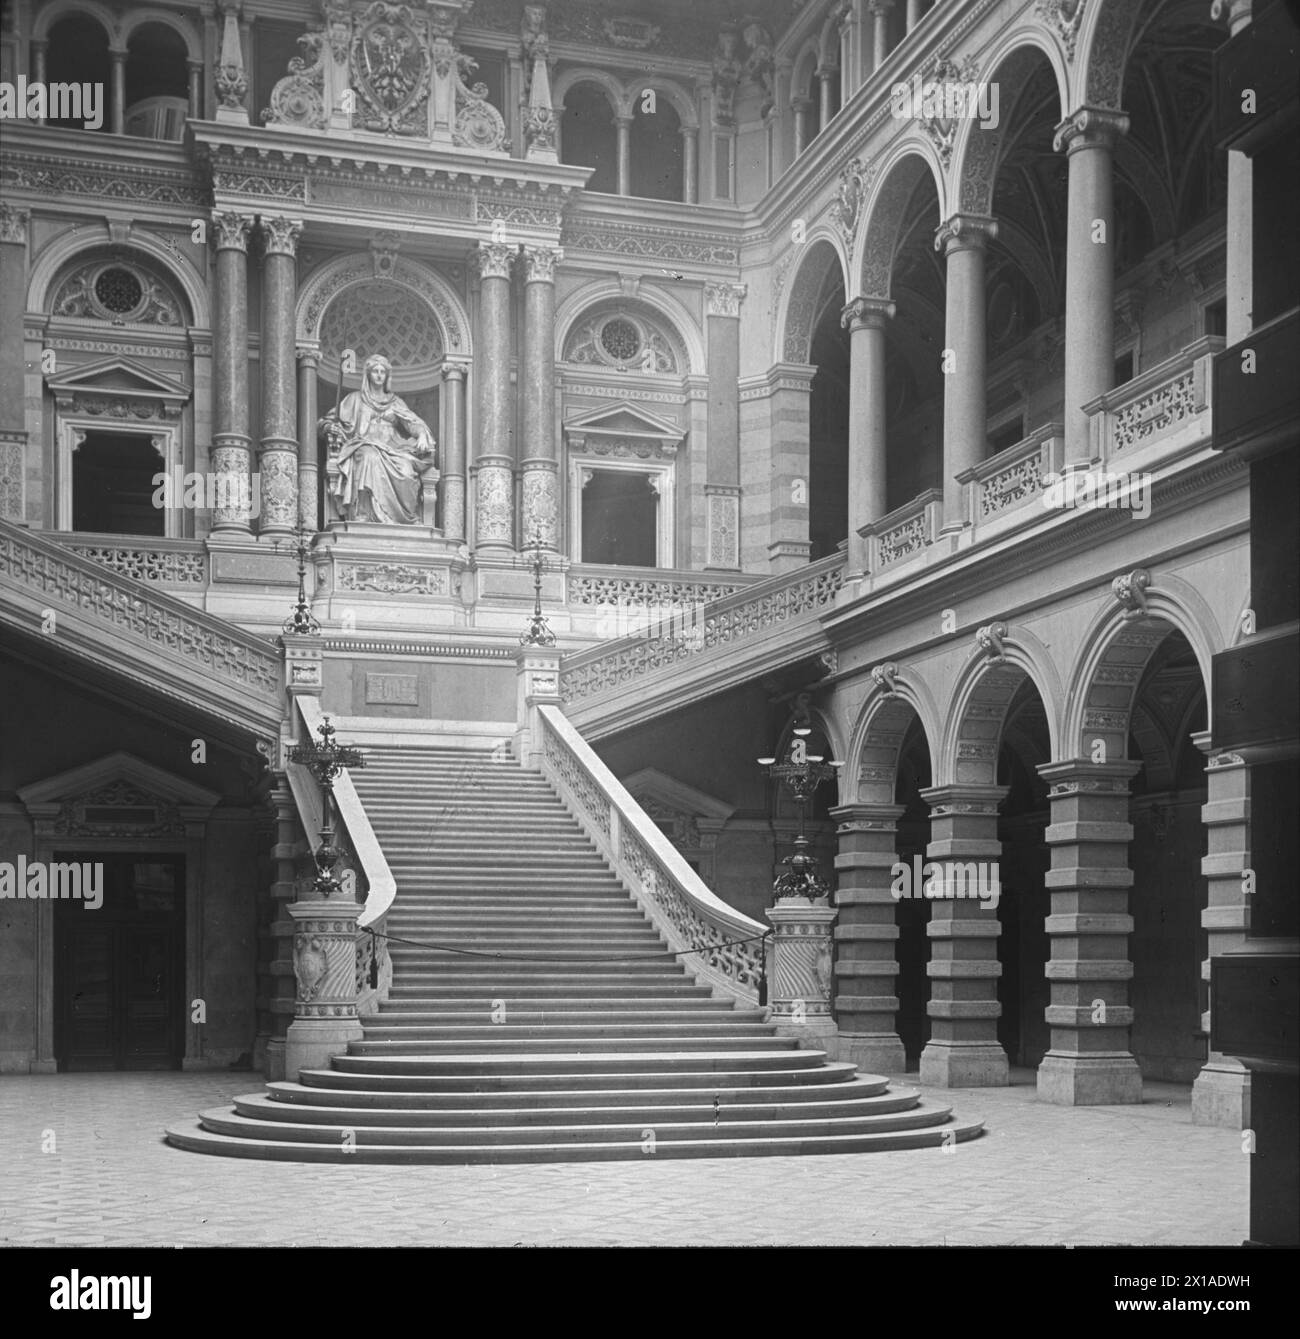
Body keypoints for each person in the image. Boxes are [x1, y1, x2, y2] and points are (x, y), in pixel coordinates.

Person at [320, 354, 437, 525]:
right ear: (368, 374)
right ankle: (364, 514)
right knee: (370, 457)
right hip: (362, 445)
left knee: (406, 471)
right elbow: (327, 421)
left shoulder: (395, 402)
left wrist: (421, 435)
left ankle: (405, 518)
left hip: (393, 449)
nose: (379, 375)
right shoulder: (355, 399)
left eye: (383, 371)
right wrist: (329, 427)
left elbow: (413, 423)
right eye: (375, 371)